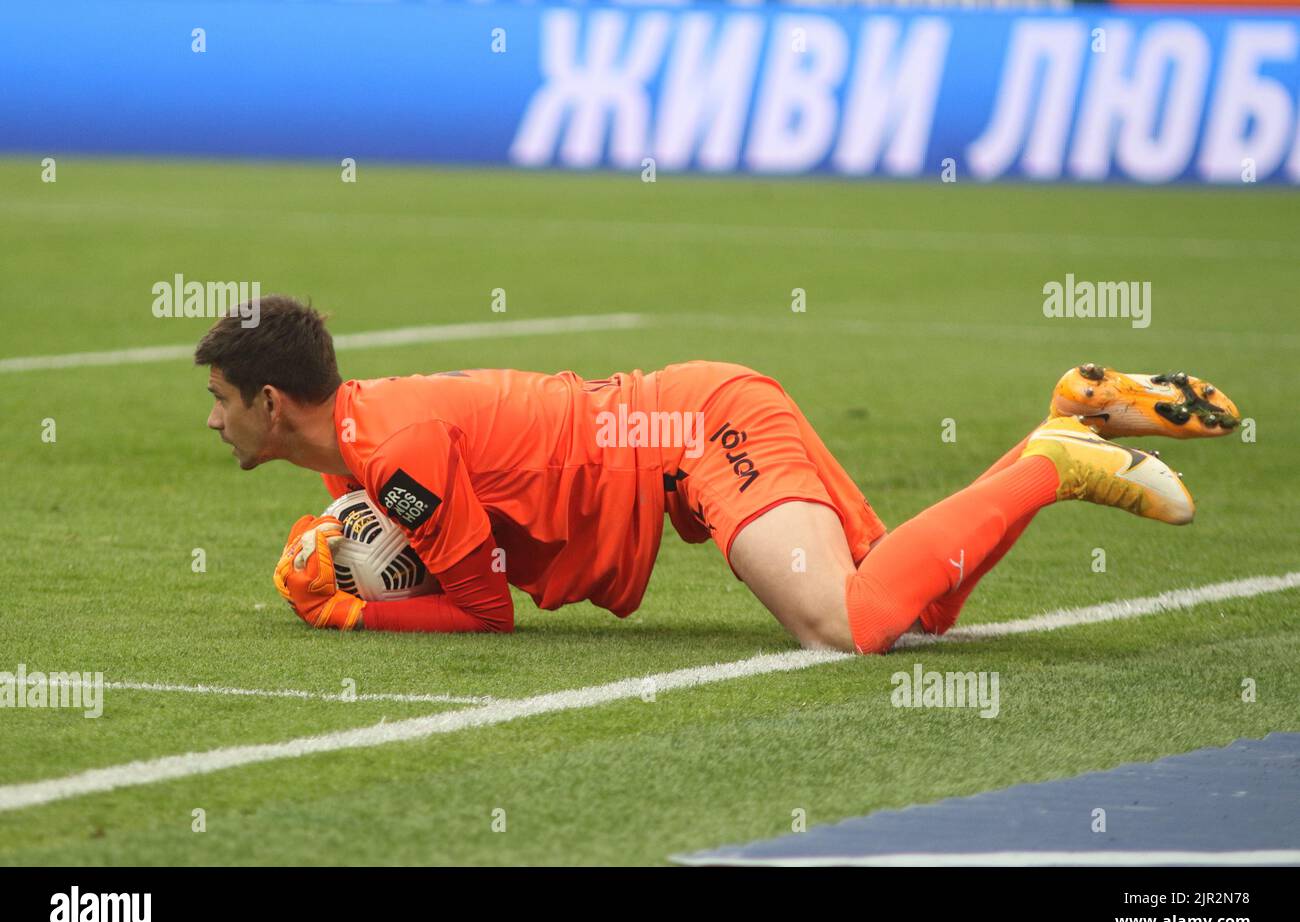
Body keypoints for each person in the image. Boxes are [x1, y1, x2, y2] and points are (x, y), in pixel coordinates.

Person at [194, 296, 1240, 654]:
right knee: (920, 612)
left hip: (701, 427)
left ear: (272, 405)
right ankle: (1060, 422)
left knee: (847, 626)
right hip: (690, 431)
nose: (213, 420)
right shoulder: (375, 440)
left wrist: (350, 613)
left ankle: (1059, 465)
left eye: (221, 400)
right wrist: (337, 536)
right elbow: (431, 521)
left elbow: (480, 610)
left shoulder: (393, 455)